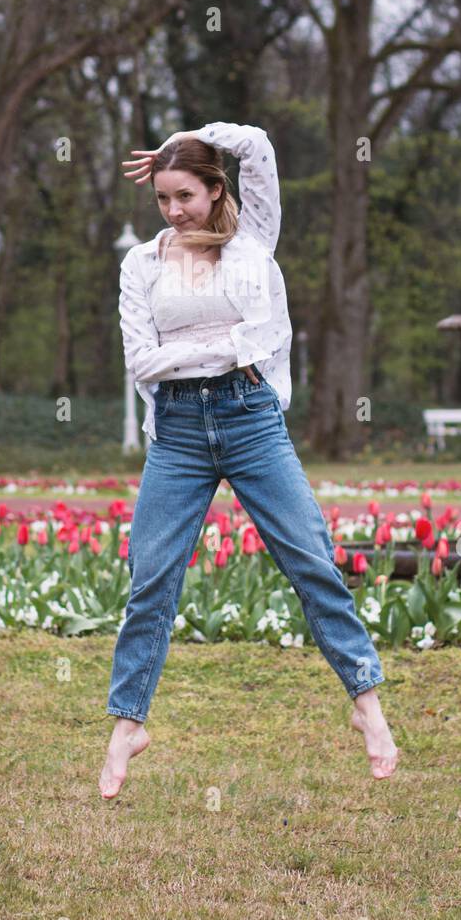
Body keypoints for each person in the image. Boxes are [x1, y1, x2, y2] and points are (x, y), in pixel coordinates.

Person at [100, 122, 398, 798]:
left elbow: (260, 144)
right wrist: (229, 343)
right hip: (177, 430)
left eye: (186, 196)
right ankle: (128, 724)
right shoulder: (141, 264)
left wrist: (185, 134)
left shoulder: (252, 242)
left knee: (312, 559)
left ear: (214, 189)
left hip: (251, 418)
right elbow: (140, 359)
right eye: (164, 200)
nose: (175, 211)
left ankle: (366, 704)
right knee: (150, 578)